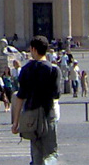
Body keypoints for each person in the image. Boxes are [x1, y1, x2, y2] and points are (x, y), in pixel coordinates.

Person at [11, 35, 61, 165]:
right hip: (47, 114)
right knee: (51, 153)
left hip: (31, 115)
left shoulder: (26, 69)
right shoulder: (53, 70)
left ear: (33, 49)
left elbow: (20, 97)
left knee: (36, 152)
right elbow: (56, 95)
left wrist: (16, 122)